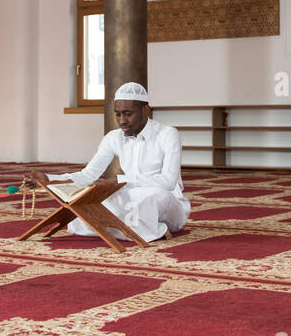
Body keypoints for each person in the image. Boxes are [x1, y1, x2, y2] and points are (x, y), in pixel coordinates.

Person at [23, 82, 189, 243]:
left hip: (168, 202)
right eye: (117, 114)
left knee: (150, 196)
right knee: (88, 205)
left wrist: (121, 180)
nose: (122, 120)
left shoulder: (168, 134)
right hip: (132, 197)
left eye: (128, 114)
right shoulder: (113, 137)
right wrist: (48, 178)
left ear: (146, 110)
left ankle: (150, 228)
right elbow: (88, 175)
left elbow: (168, 182)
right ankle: (143, 230)